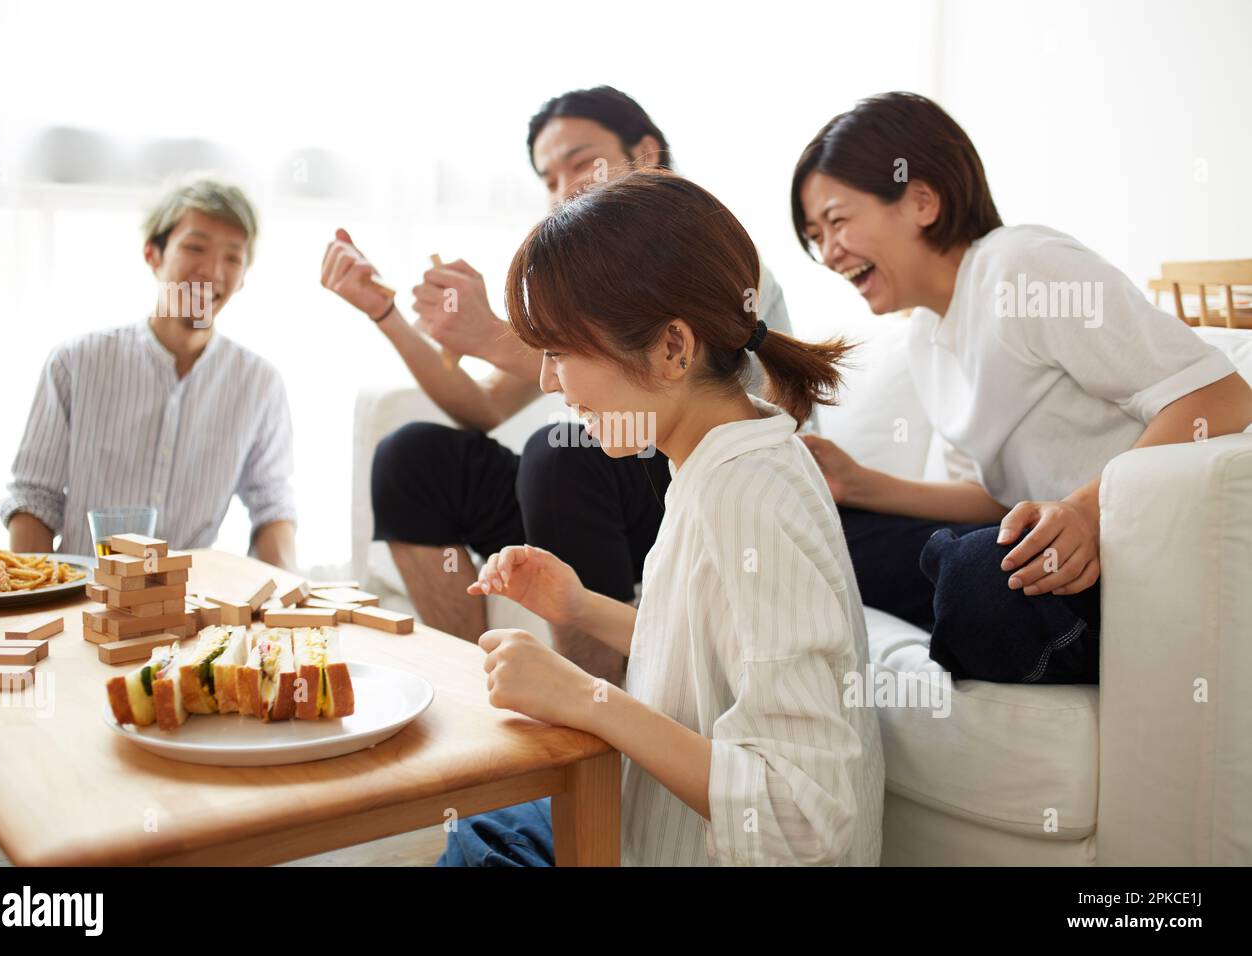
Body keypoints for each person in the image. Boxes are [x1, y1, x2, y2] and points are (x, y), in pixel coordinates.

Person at [436, 169, 883, 866]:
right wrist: (580, 606)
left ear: (673, 347)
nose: (549, 381)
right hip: (654, 833)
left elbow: (801, 819)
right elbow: (720, 653)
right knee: (485, 831)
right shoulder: (726, 456)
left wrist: (586, 697)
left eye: (560, 353)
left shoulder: (745, 498)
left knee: (475, 844)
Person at [320, 86, 793, 684]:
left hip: (660, 482)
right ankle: (470, 690)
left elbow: (708, 407)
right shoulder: (574, 284)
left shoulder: (711, 269)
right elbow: (486, 404)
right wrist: (386, 316)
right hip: (575, 496)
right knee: (412, 457)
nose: (564, 186)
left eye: (581, 161)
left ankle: (589, 725)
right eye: (548, 177)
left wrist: (491, 332)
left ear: (647, 154)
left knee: (560, 453)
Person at [791, 92, 1252, 683]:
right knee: (826, 531)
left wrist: (1090, 511)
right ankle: (963, 597)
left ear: (921, 200)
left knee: (980, 576)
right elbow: (989, 498)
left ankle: (966, 597)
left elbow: (1220, 396)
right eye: (814, 235)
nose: (828, 253)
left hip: (1134, 560)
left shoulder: (1022, 268)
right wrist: (855, 482)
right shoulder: (927, 337)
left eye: (837, 221)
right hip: (1041, 556)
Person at [1, 174, 299, 568]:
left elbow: (271, 506)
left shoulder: (260, 384)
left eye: (232, 257)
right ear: (152, 255)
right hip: (84, 603)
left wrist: (293, 597)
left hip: (192, 608)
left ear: (243, 277)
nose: (212, 271)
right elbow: (34, 499)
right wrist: (34, 607)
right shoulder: (74, 363)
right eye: (195, 247)